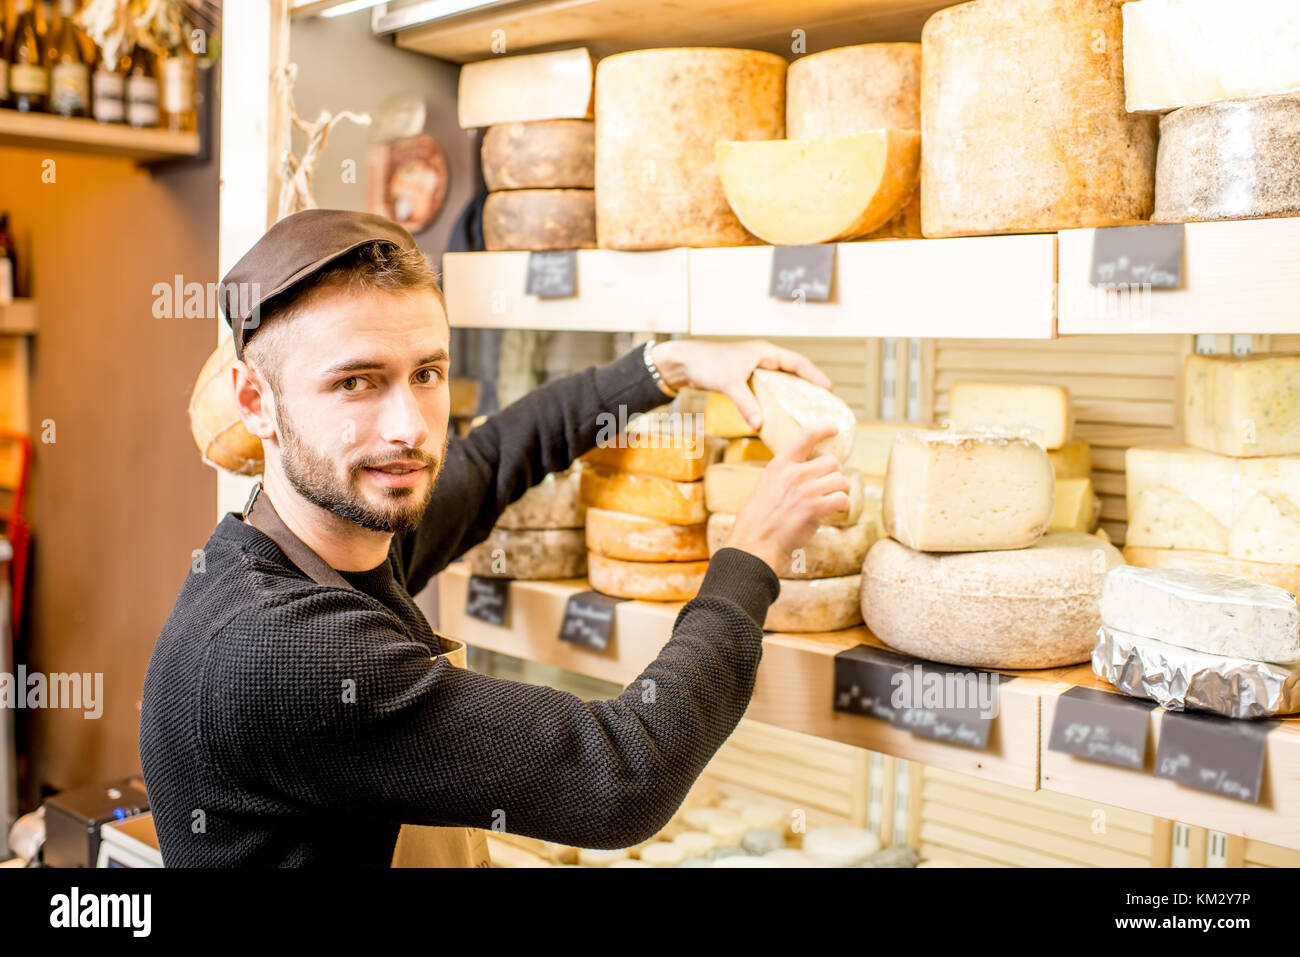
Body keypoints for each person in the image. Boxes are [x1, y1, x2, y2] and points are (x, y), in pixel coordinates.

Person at [139, 209, 852, 867]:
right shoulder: (282, 649)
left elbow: (489, 461)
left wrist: (668, 366)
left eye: (427, 373)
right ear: (255, 400)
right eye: (356, 382)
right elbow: (626, 772)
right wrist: (752, 552)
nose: (410, 427)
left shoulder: (320, 539)